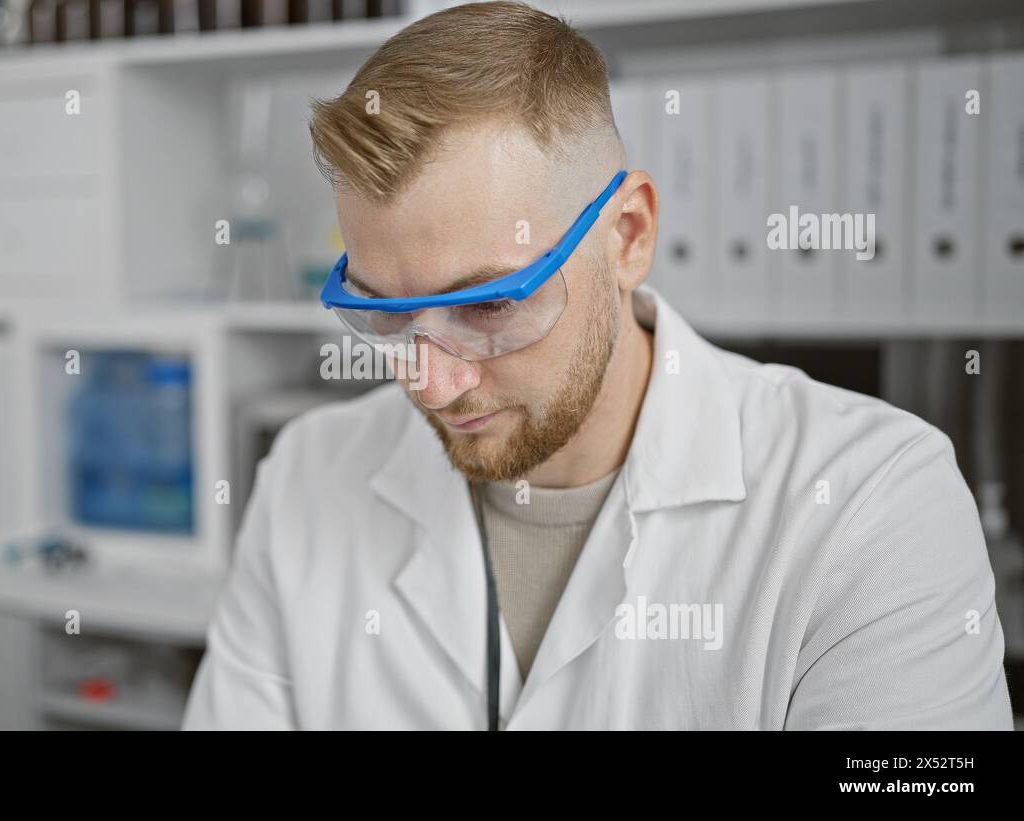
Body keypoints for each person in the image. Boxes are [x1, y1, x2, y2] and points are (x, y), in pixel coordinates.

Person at [182, 1, 1014, 729]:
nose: (429, 384)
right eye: (384, 316)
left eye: (490, 306)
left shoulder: (874, 504)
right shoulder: (303, 476)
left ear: (628, 236)